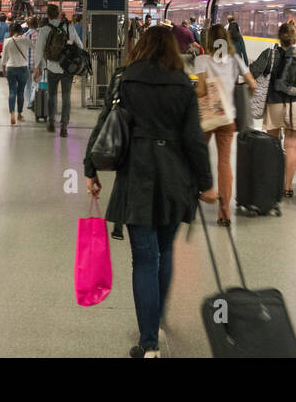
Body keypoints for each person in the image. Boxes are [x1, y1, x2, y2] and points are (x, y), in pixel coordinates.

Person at [84, 27, 217, 357]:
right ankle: (155, 319)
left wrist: (90, 169)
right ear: (172, 50)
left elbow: (105, 123)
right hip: (175, 178)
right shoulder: (184, 85)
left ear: (140, 46)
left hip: (138, 176)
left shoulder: (125, 79)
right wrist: (206, 183)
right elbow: (194, 140)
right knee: (165, 249)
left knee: (144, 259)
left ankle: (149, 344)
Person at [194, 23, 256, 226]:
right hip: (228, 117)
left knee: (197, 157)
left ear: (209, 40)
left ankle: (193, 201)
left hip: (208, 117)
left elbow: (202, 90)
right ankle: (224, 212)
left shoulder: (202, 60)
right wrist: (242, 96)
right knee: (224, 162)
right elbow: (252, 84)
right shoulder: (235, 59)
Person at [250, 20, 296, 198]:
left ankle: (272, 183)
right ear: (295, 37)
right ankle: (287, 187)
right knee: (290, 146)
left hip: (275, 104)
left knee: (274, 145)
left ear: (279, 37)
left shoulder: (270, 54)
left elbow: (251, 73)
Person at [33, 5, 85, 138]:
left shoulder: (44, 29)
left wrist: (37, 68)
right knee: (66, 97)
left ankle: (51, 122)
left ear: (48, 15)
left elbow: (39, 50)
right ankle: (64, 126)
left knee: (52, 95)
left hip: (52, 67)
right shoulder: (68, 27)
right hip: (67, 68)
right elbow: (80, 46)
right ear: (59, 14)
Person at [1, 24, 34, 125]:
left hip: (11, 68)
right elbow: (35, 47)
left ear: (11, 30)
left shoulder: (7, 41)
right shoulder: (25, 39)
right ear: (20, 30)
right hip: (23, 68)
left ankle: (12, 113)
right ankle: (19, 114)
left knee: (12, 92)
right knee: (20, 92)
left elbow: (4, 56)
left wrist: (3, 68)